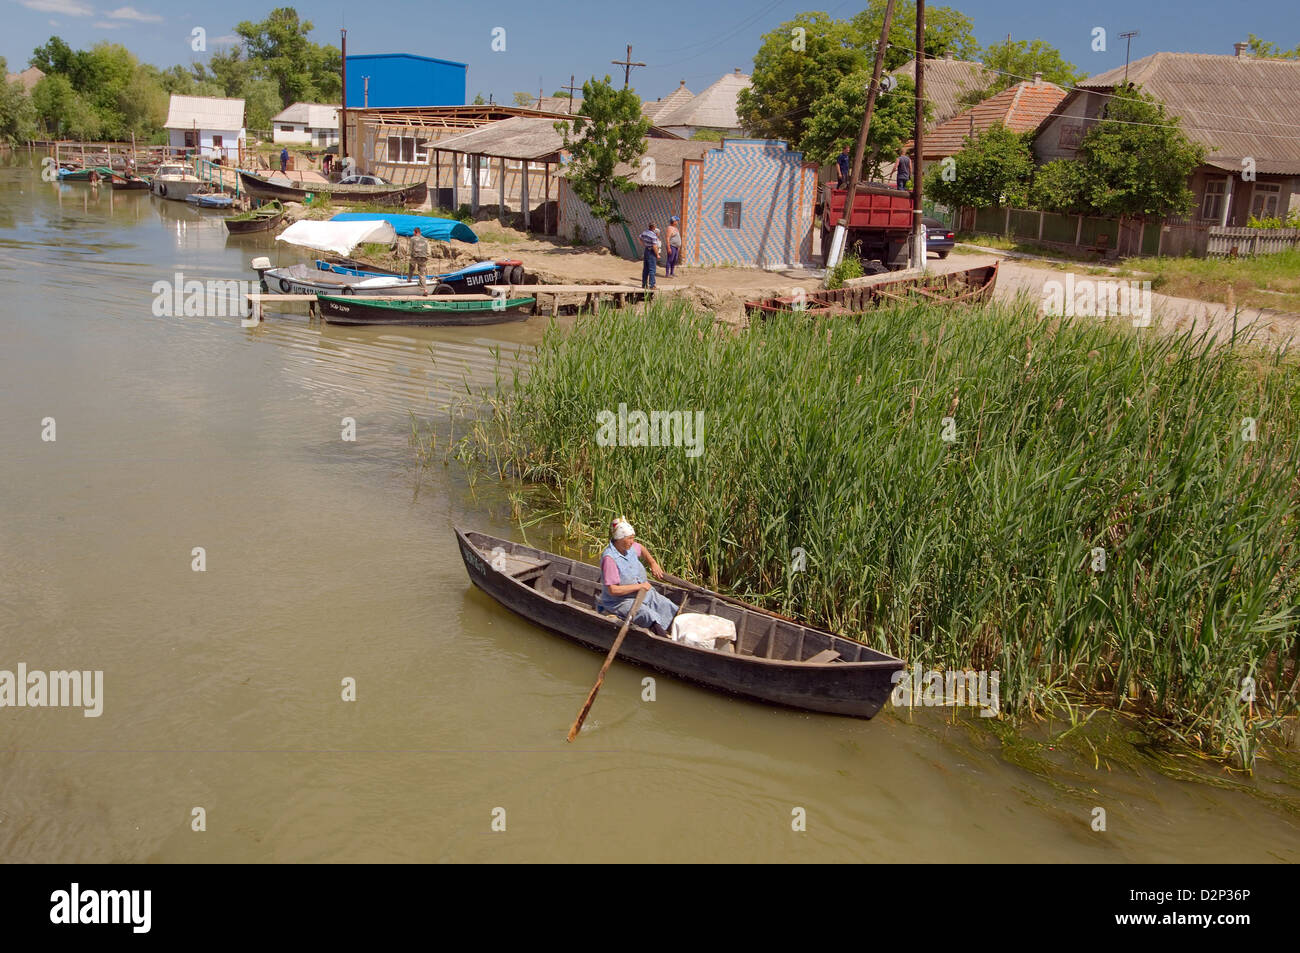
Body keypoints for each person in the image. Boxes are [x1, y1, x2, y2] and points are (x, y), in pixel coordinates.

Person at [596, 519, 678, 637]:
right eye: (630, 538)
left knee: (667, 605)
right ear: (620, 539)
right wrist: (640, 586)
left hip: (643, 592)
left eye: (633, 538)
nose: (632, 541)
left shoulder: (630, 547)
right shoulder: (610, 559)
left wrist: (653, 563)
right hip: (620, 601)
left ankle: (673, 632)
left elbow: (641, 548)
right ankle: (664, 639)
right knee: (647, 615)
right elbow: (613, 590)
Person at [407, 227, 430, 294]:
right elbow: (428, 249)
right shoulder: (425, 239)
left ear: (415, 232)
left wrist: (410, 256)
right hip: (423, 257)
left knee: (411, 267)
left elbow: (411, 249)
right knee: (422, 274)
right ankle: (425, 289)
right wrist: (427, 256)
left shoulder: (413, 239)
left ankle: (409, 279)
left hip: (415, 256)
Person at [639, 222, 660, 289]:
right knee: (652, 269)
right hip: (651, 252)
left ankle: (644, 284)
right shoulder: (653, 235)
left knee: (645, 268)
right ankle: (652, 285)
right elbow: (654, 246)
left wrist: (644, 244)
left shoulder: (645, 232)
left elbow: (640, 237)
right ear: (653, 227)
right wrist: (657, 254)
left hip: (646, 250)